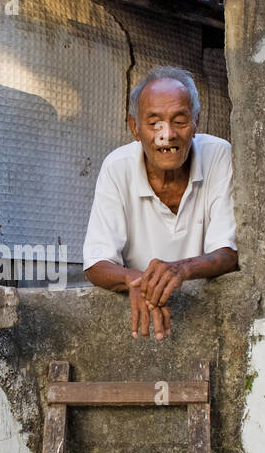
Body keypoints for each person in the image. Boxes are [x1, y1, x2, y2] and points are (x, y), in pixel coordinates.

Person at [82, 66, 238, 339]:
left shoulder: (219, 156)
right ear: (135, 128)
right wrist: (136, 281)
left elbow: (227, 252)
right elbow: (96, 263)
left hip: (206, 317)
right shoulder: (117, 168)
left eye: (179, 121)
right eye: (154, 123)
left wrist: (180, 269)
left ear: (196, 122)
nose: (167, 134)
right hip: (144, 319)